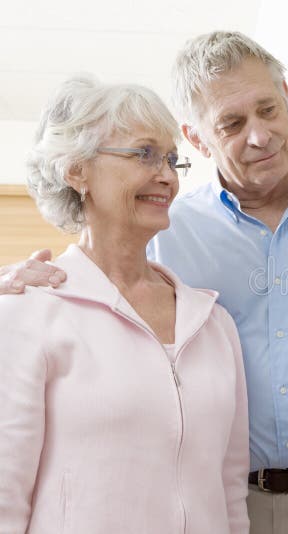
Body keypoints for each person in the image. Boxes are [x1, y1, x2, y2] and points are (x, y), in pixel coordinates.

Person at [0, 31, 288, 533]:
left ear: (287, 99)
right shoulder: (165, 231)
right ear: (198, 138)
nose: (259, 136)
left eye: (268, 110)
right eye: (232, 123)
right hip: (237, 498)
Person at [0, 75, 249, 533]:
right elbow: (4, 496)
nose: (166, 175)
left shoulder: (213, 323)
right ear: (76, 171)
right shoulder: (29, 312)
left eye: (172, 159)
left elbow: (230, 490)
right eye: (144, 154)